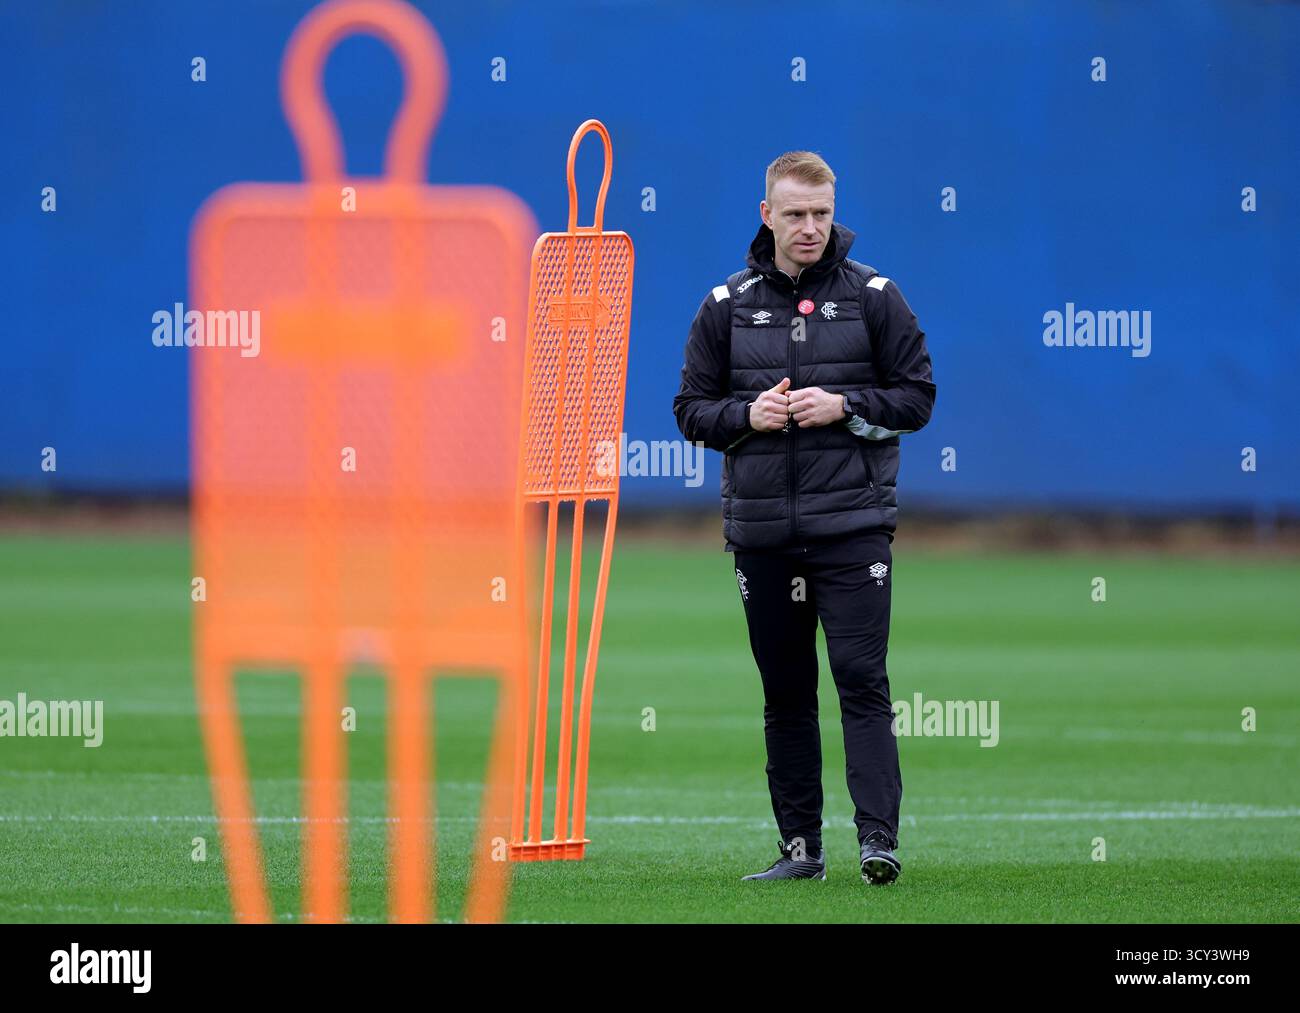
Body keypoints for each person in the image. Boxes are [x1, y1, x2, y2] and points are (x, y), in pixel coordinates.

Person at [672, 151, 936, 885]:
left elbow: (917, 397)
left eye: (821, 213)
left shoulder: (875, 296)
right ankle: (801, 852)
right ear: (767, 215)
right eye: (795, 214)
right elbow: (690, 409)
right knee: (785, 692)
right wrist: (746, 415)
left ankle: (878, 841)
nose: (811, 227)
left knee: (860, 676)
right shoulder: (725, 304)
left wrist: (847, 406)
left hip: (852, 527)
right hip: (762, 534)